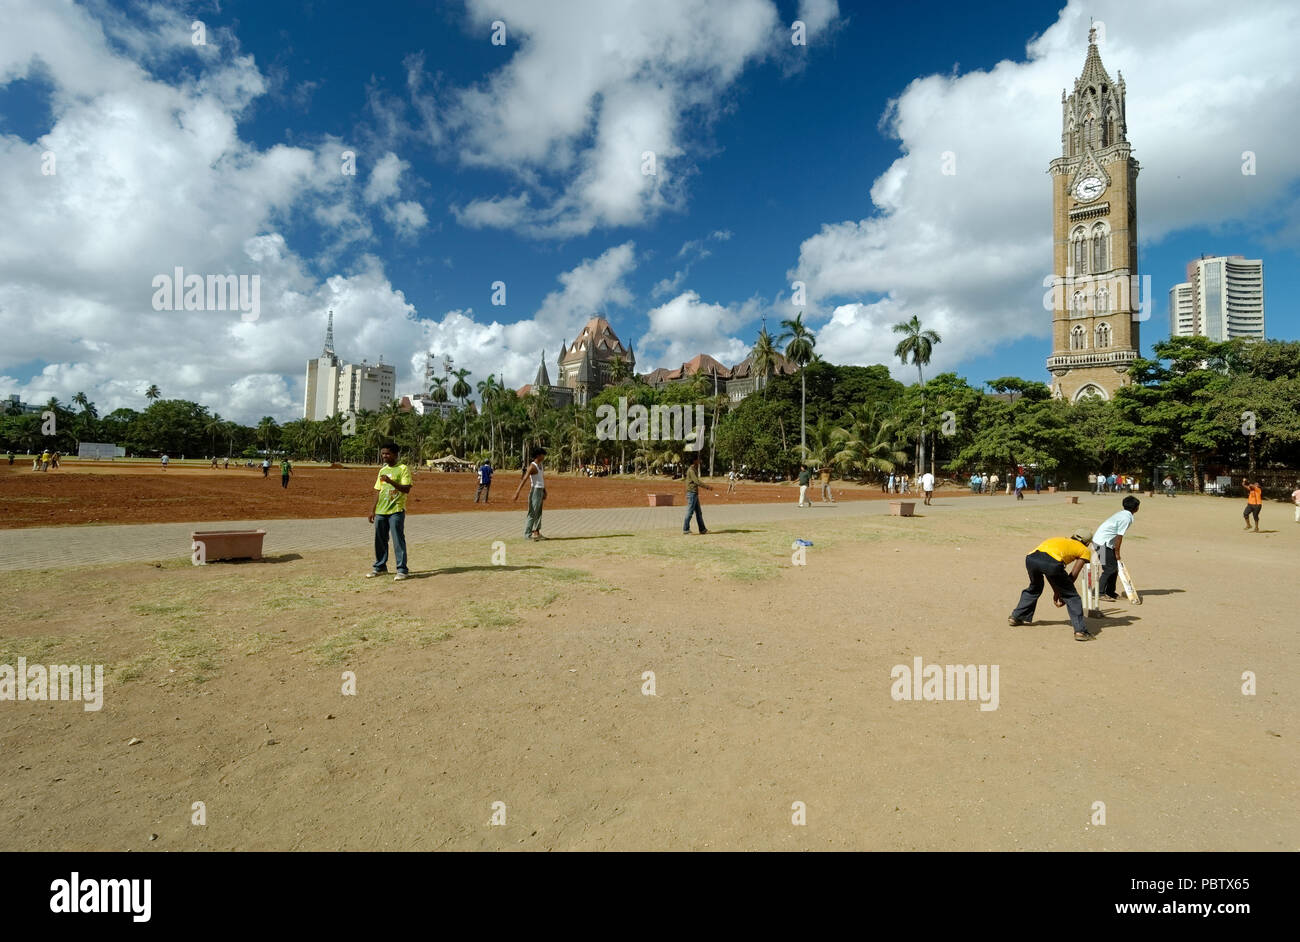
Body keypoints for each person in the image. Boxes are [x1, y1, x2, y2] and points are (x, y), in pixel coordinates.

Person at [1008, 528, 1096, 641]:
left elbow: (1051, 573)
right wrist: (1064, 593)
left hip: (1031, 559)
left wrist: (1058, 592)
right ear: (1087, 543)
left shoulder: (1058, 539)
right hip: (1052, 564)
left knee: (1034, 587)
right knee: (1072, 597)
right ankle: (1080, 631)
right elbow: (1073, 574)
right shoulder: (1085, 550)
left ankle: (1016, 617)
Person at [367, 442, 412, 580]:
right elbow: (377, 489)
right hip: (381, 511)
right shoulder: (382, 470)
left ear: (395, 454)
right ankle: (380, 567)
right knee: (380, 540)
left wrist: (390, 481)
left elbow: (406, 489)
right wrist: (372, 509)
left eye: (387, 453)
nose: (384, 456)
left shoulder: (403, 469)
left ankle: (402, 570)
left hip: (396, 510)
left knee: (398, 540)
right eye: (383, 454)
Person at [1092, 496, 1140, 601]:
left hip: (1103, 542)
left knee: (1114, 568)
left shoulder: (1123, 514)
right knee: (1109, 569)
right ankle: (1098, 593)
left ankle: (1110, 592)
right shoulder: (1125, 518)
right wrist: (1117, 552)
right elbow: (1119, 536)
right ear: (1136, 508)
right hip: (1101, 543)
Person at [513, 447, 548, 541]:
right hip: (535, 491)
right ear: (538, 455)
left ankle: (536, 532)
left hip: (540, 490)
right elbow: (524, 479)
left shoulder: (540, 465)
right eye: (543, 455)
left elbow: (541, 479)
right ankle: (527, 534)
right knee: (532, 512)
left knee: (539, 512)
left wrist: (544, 490)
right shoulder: (532, 466)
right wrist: (517, 492)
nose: (544, 456)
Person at [682, 452, 711, 534]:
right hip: (691, 493)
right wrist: (707, 487)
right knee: (690, 512)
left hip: (694, 493)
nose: (699, 461)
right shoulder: (691, 470)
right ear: (694, 461)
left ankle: (702, 529)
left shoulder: (694, 469)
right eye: (698, 460)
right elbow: (696, 481)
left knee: (698, 512)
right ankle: (685, 529)